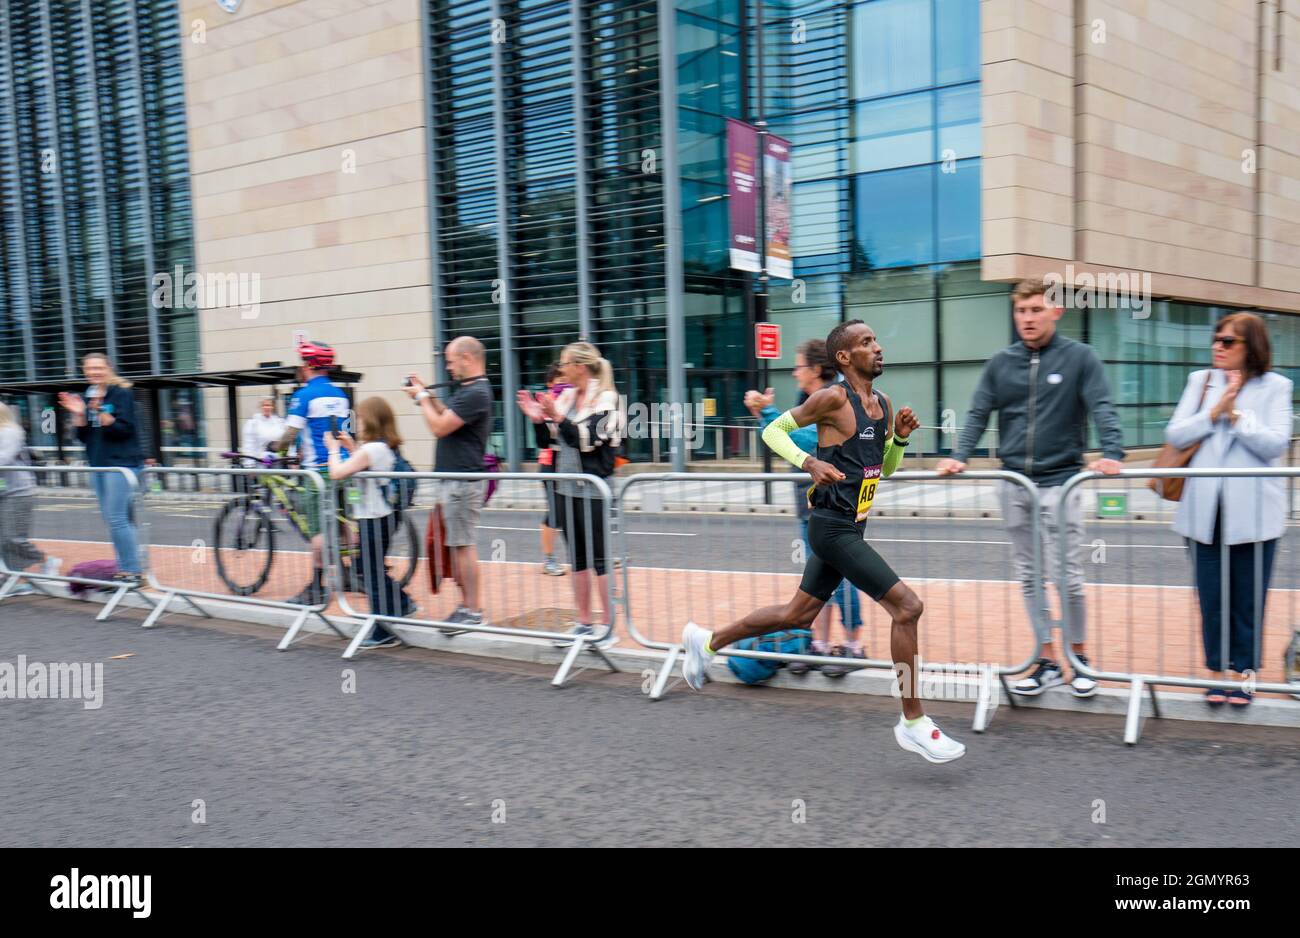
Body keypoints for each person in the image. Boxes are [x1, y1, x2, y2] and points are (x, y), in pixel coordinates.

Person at [680, 320, 967, 764]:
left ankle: (706, 641)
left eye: (876, 339)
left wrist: (900, 439)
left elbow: (885, 469)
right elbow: (772, 431)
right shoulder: (832, 398)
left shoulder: (882, 404)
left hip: (853, 525)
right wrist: (809, 462)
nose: (878, 347)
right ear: (845, 357)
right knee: (908, 608)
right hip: (831, 527)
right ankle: (913, 721)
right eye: (866, 342)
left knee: (797, 614)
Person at [937, 279, 1125, 698]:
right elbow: (978, 412)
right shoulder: (1001, 363)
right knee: (1029, 576)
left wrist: (1113, 452)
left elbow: (1102, 407)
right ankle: (1047, 660)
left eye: (1036, 310)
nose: (1027, 318)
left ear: (1056, 311)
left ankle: (1080, 659)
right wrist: (959, 455)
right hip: (1015, 483)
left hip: (1062, 482)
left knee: (1068, 577)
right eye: (1021, 311)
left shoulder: (1080, 358)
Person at [1165, 312, 1292, 707]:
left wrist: (1235, 416)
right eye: (1216, 339)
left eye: (1228, 341)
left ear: (1250, 347)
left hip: (1254, 514)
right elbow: (1175, 434)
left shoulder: (1276, 387)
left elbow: (1276, 444)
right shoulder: (1201, 381)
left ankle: (1246, 676)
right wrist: (1214, 412)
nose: (1217, 347)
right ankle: (1218, 674)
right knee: (1212, 598)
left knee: (1248, 599)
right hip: (1204, 511)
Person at [746, 338, 867, 677]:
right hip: (811, 504)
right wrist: (763, 415)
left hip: (835, 505)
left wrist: (767, 412)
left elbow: (810, 440)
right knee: (817, 579)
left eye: (798, 366)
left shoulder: (835, 398)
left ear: (815, 369)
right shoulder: (809, 399)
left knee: (841, 576)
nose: (794, 372)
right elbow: (782, 439)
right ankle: (821, 644)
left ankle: (855, 646)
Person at [517, 341, 622, 642]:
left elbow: (586, 440)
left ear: (580, 366)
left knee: (599, 559)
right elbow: (550, 441)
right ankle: (584, 622)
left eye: (564, 363)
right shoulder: (567, 397)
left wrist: (559, 418)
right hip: (566, 487)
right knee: (577, 558)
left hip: (594, 488)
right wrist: (538, 420)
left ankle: (607, 626)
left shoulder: (607, 398)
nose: (560, 369)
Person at [406, 336, 493, 627]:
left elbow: (439, 427)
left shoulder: (476, 392)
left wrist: (422, 399)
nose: (448, 367)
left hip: (462, 481)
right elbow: (447, 415)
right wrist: (428, 395)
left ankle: (472, 610)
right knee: (457, 546)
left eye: (451, 361)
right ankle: (467, 607)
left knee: (462, 546)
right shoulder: (470, 390)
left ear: (468, 358)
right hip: (455, 480)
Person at [325, 396, 416, 647]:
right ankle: (402, 604)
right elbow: (367, 469)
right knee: (372, 570)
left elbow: (337, 473)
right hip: (382, 517)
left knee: (372, 575)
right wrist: (351, 446)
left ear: (372, 420)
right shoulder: (383, 447)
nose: (358, 422)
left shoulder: (372, 449)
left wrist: (333, 449)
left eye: (361, 417)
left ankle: (382, 631)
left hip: (374, 519)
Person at [58, 353, 145, 585]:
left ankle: (132, 571)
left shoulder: (121, 393)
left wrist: (99, 411)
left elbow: (124, 429)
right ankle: (127, 568)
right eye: (89, 369)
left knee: (117, 519)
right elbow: (83, 437)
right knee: (114, 520)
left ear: (108, 368)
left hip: (121, 464)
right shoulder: (89, 395)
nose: (93, 372)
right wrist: (79, 414)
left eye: (98, 368)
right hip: (98, 463)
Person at [276, 341, 352, 606]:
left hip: (318, 471)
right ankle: (352, 571)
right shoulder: (341, 395)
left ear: (308, 365)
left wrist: (275, 448)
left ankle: (316, 588)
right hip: (341, 466)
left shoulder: (304, 395)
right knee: (342, 522)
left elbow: (290, 434)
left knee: (317, 529)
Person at [0, 403, 59, 595]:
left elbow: (3, 458)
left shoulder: (11, 432)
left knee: (14, 538)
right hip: (3, 491)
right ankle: (12, 578)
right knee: (3, 540)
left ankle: (46, 561)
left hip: (18, 491)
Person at [519, 363, 570, 577]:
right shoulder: (547, 401)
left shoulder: (572, 399)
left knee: (573, 511)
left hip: (569, 465)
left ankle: (589, 554)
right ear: (550, 383)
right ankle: (548, 560)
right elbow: (545, 440)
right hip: (551, 464)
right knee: (556, 512)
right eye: (560, 380)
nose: (564, 383)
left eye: (567, 379)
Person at [241, 397, 286, 464]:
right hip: (259, 461)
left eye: (269, 405)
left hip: (277, 461)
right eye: (264, 405)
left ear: (273, 407)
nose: (266, 408)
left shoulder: (279, 422)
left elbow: (285, 440)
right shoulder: (253, 422)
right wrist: (249, 463)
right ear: (260, 407)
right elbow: (248, 444)